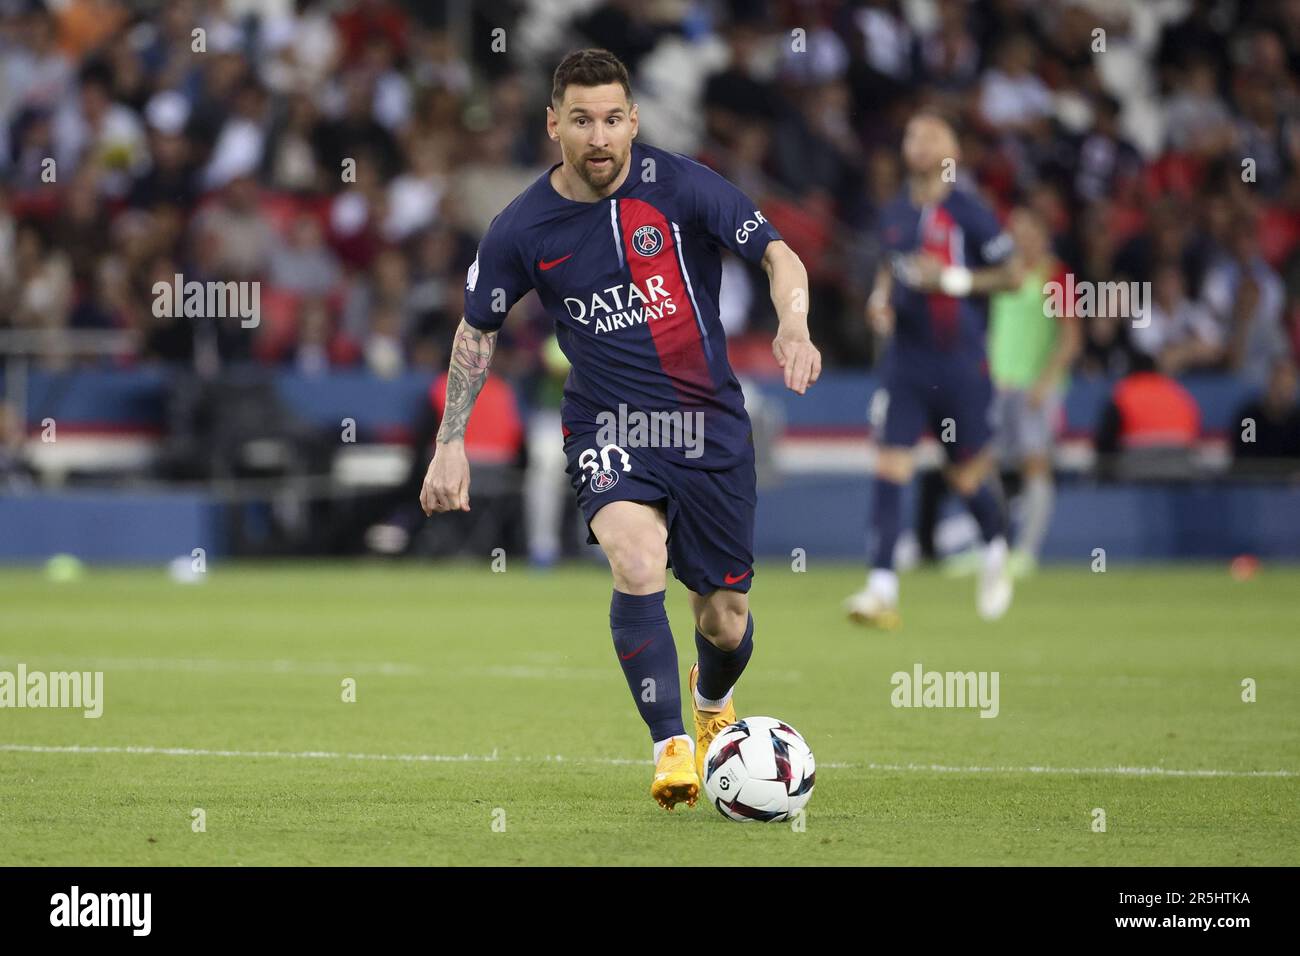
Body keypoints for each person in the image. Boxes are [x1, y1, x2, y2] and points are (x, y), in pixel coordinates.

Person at [418, 49, 821, 810]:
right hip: (609, 424)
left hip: (707, 430)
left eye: (611, 119)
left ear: (633, 120)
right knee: (636, 562)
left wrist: (793, 324)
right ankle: (670, 747)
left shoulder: (683, 185)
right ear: (553, 124)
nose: (598, 137)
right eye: (581, 120)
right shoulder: (521, 227)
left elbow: (778, 252)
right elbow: (477, 331)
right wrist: (449, 442)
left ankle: (710, 710)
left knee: (725, 621)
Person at [845, 110, 1020, 629]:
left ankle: (995, 545)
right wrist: (880, 301)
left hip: (961, 362)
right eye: (910, 133)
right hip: (907, 361)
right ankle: (881, 586)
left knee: (965, 476)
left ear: (953, 152)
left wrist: (953, 280)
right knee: (890, 465)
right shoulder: (895, 211)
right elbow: (888, 267)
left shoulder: (970, 210)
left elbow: (1012, 274)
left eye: (929, 134)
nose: (916, 140)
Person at [986, 207, 1081, 575]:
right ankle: (994, 546)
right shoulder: (1000, 275)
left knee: (1035, 464)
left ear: (1044, 235)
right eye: (1015, 231)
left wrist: (1045, 382)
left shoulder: (1056, 276)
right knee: (982, 464)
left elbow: (1071, 339)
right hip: (998, 384)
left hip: (1035, 387)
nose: (1021, 239)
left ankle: (1026, 552)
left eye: (1028, 232)